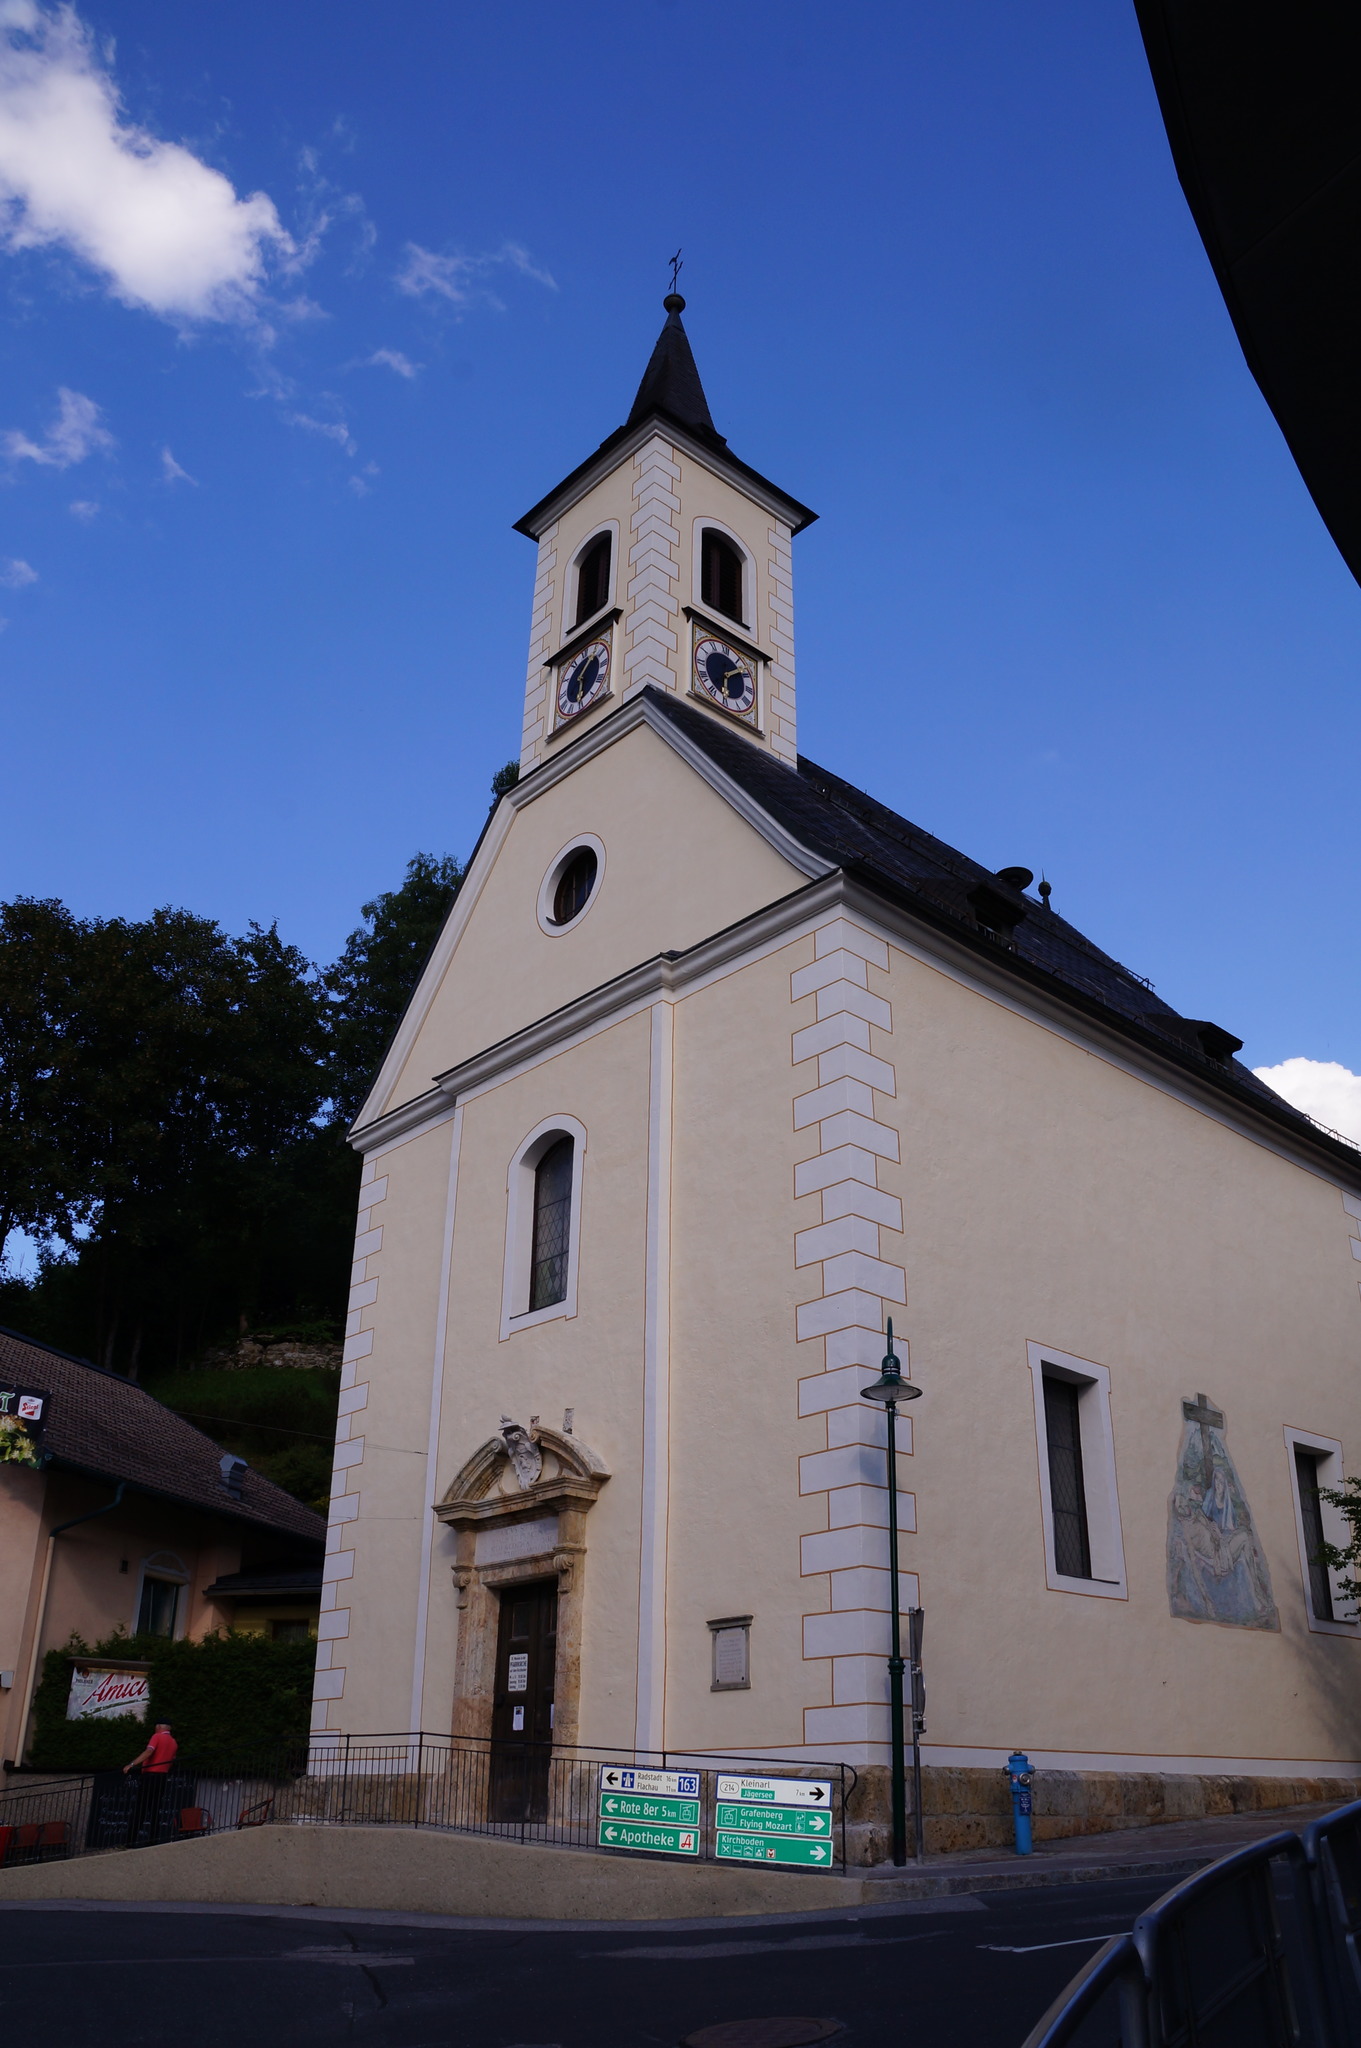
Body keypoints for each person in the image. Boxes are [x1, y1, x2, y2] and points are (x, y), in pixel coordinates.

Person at [123, 1721, 178, 1846]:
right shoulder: (173, 1742)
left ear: (159, 1726)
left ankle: (130, 1840)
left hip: (150, 1775)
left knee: (141, 1807)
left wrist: (132, 1764)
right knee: (155, 1808)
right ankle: (153, 1840)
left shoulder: (157, 1737)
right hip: (162, 1776)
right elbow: (172, 1760)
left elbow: (149, 1751)